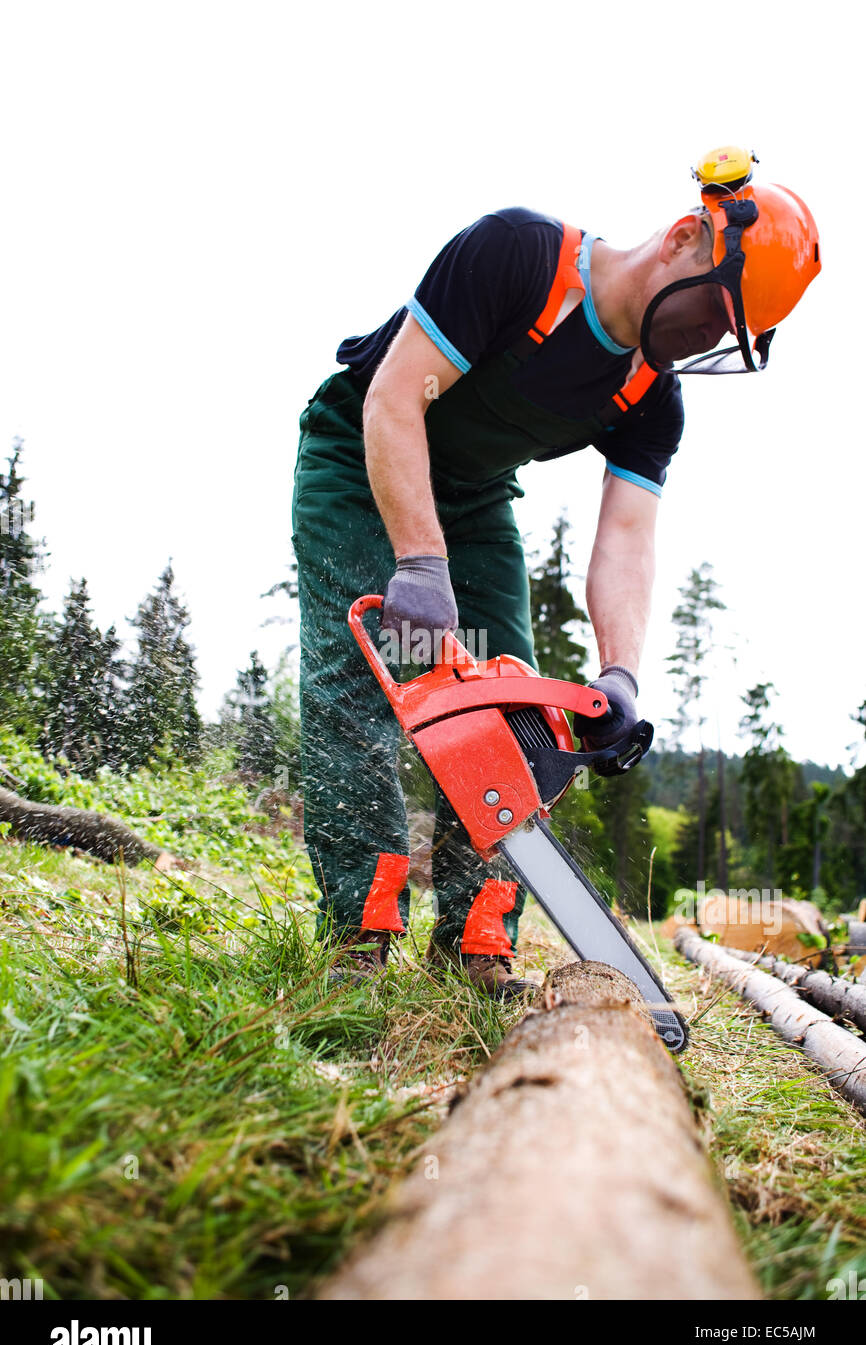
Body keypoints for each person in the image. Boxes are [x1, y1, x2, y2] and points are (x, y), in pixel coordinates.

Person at [291, 147, 820, 995]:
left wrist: (620, 675)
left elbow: (625, 541)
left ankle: (475, 942)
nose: (708, 340)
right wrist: (420, 563)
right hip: (362, 459)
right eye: (715, 316)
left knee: (504, 703)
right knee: (361, 689)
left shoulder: (652, 393)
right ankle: (358, 935)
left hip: (474, 495)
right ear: (685, 238)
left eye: (729, 336)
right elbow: (395, 398)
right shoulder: (519, 257)